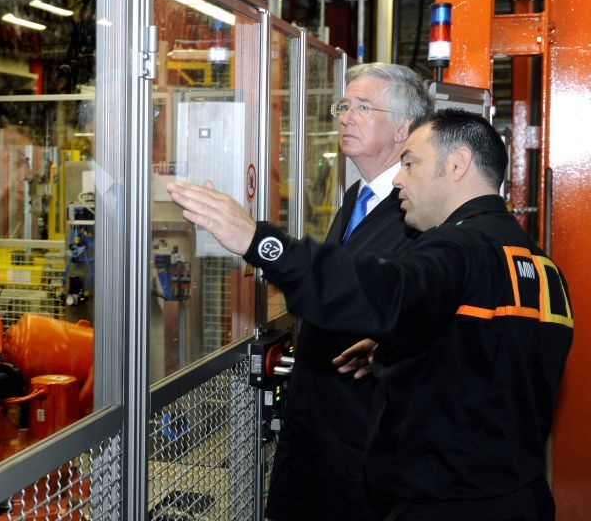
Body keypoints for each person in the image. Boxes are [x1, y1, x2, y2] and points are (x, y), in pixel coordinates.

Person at [167, 109, 572, 520]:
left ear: (457, 165)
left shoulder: (457, 250)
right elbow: (488, 362)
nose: (398, 179)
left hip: (444, 506)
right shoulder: (544, 270)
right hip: (521, 500)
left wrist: (258, 241)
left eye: (410, 163)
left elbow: (373, 287)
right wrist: (395, 347)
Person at [277, 63, 435, 520]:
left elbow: (425, 312)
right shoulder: (355, 198)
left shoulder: (419, 213)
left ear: (404, 128)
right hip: (316, 426)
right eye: (344, 106)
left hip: (365, 437)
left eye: (363, 107)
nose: (346, 117)